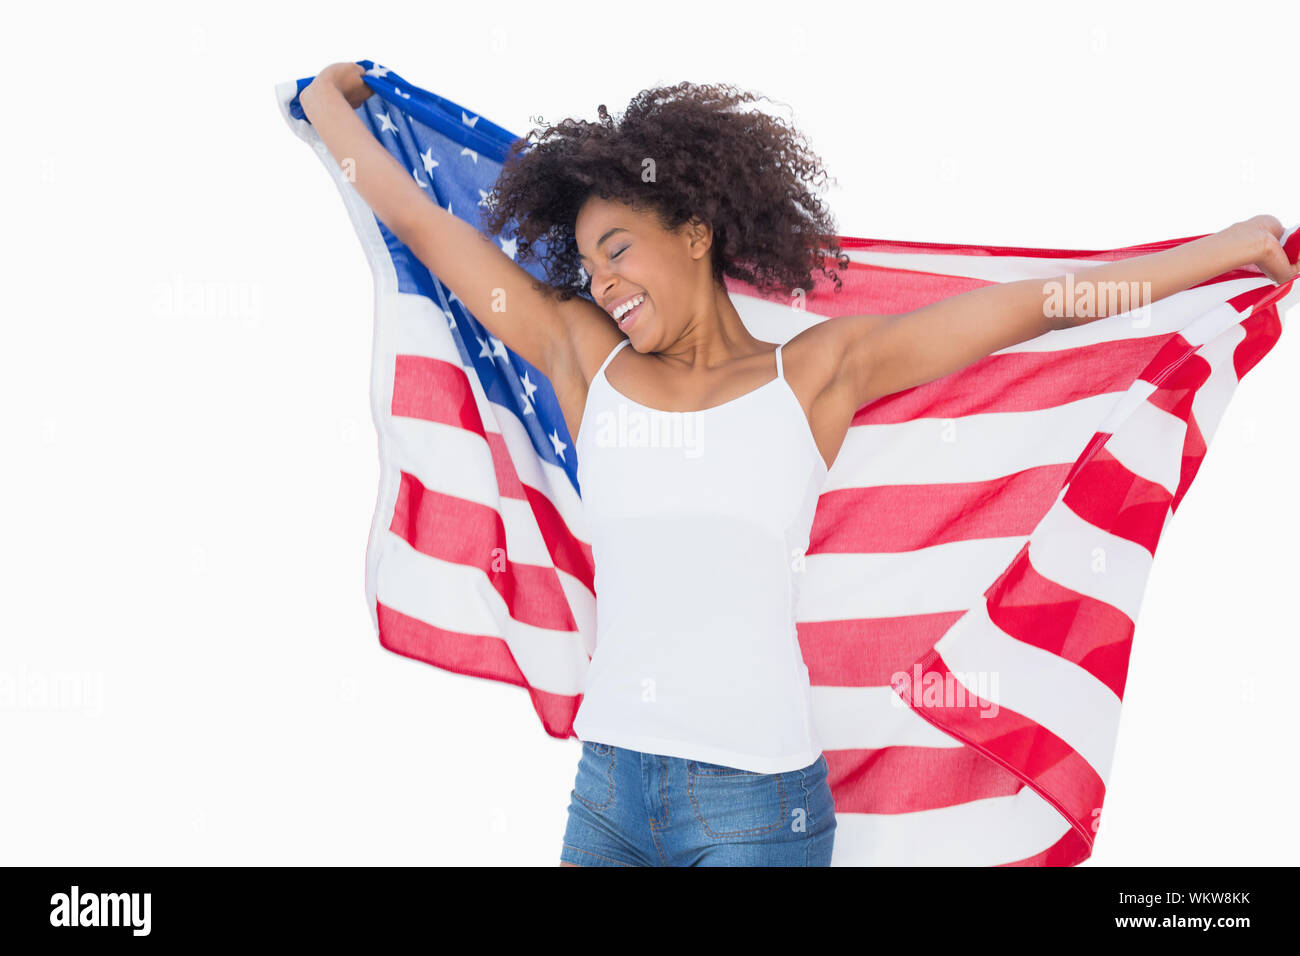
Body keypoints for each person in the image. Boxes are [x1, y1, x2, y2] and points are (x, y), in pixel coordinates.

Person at [298, 61, 1297, 867]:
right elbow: (422, 224)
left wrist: (1216, 252)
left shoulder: (816, 372)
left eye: (620, 249)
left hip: (757, 803)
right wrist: (327, 107)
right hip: (610, 790)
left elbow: (1037, 307)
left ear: (695, 233)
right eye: (589, 265)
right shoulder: (580, 356)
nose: (602, 282)